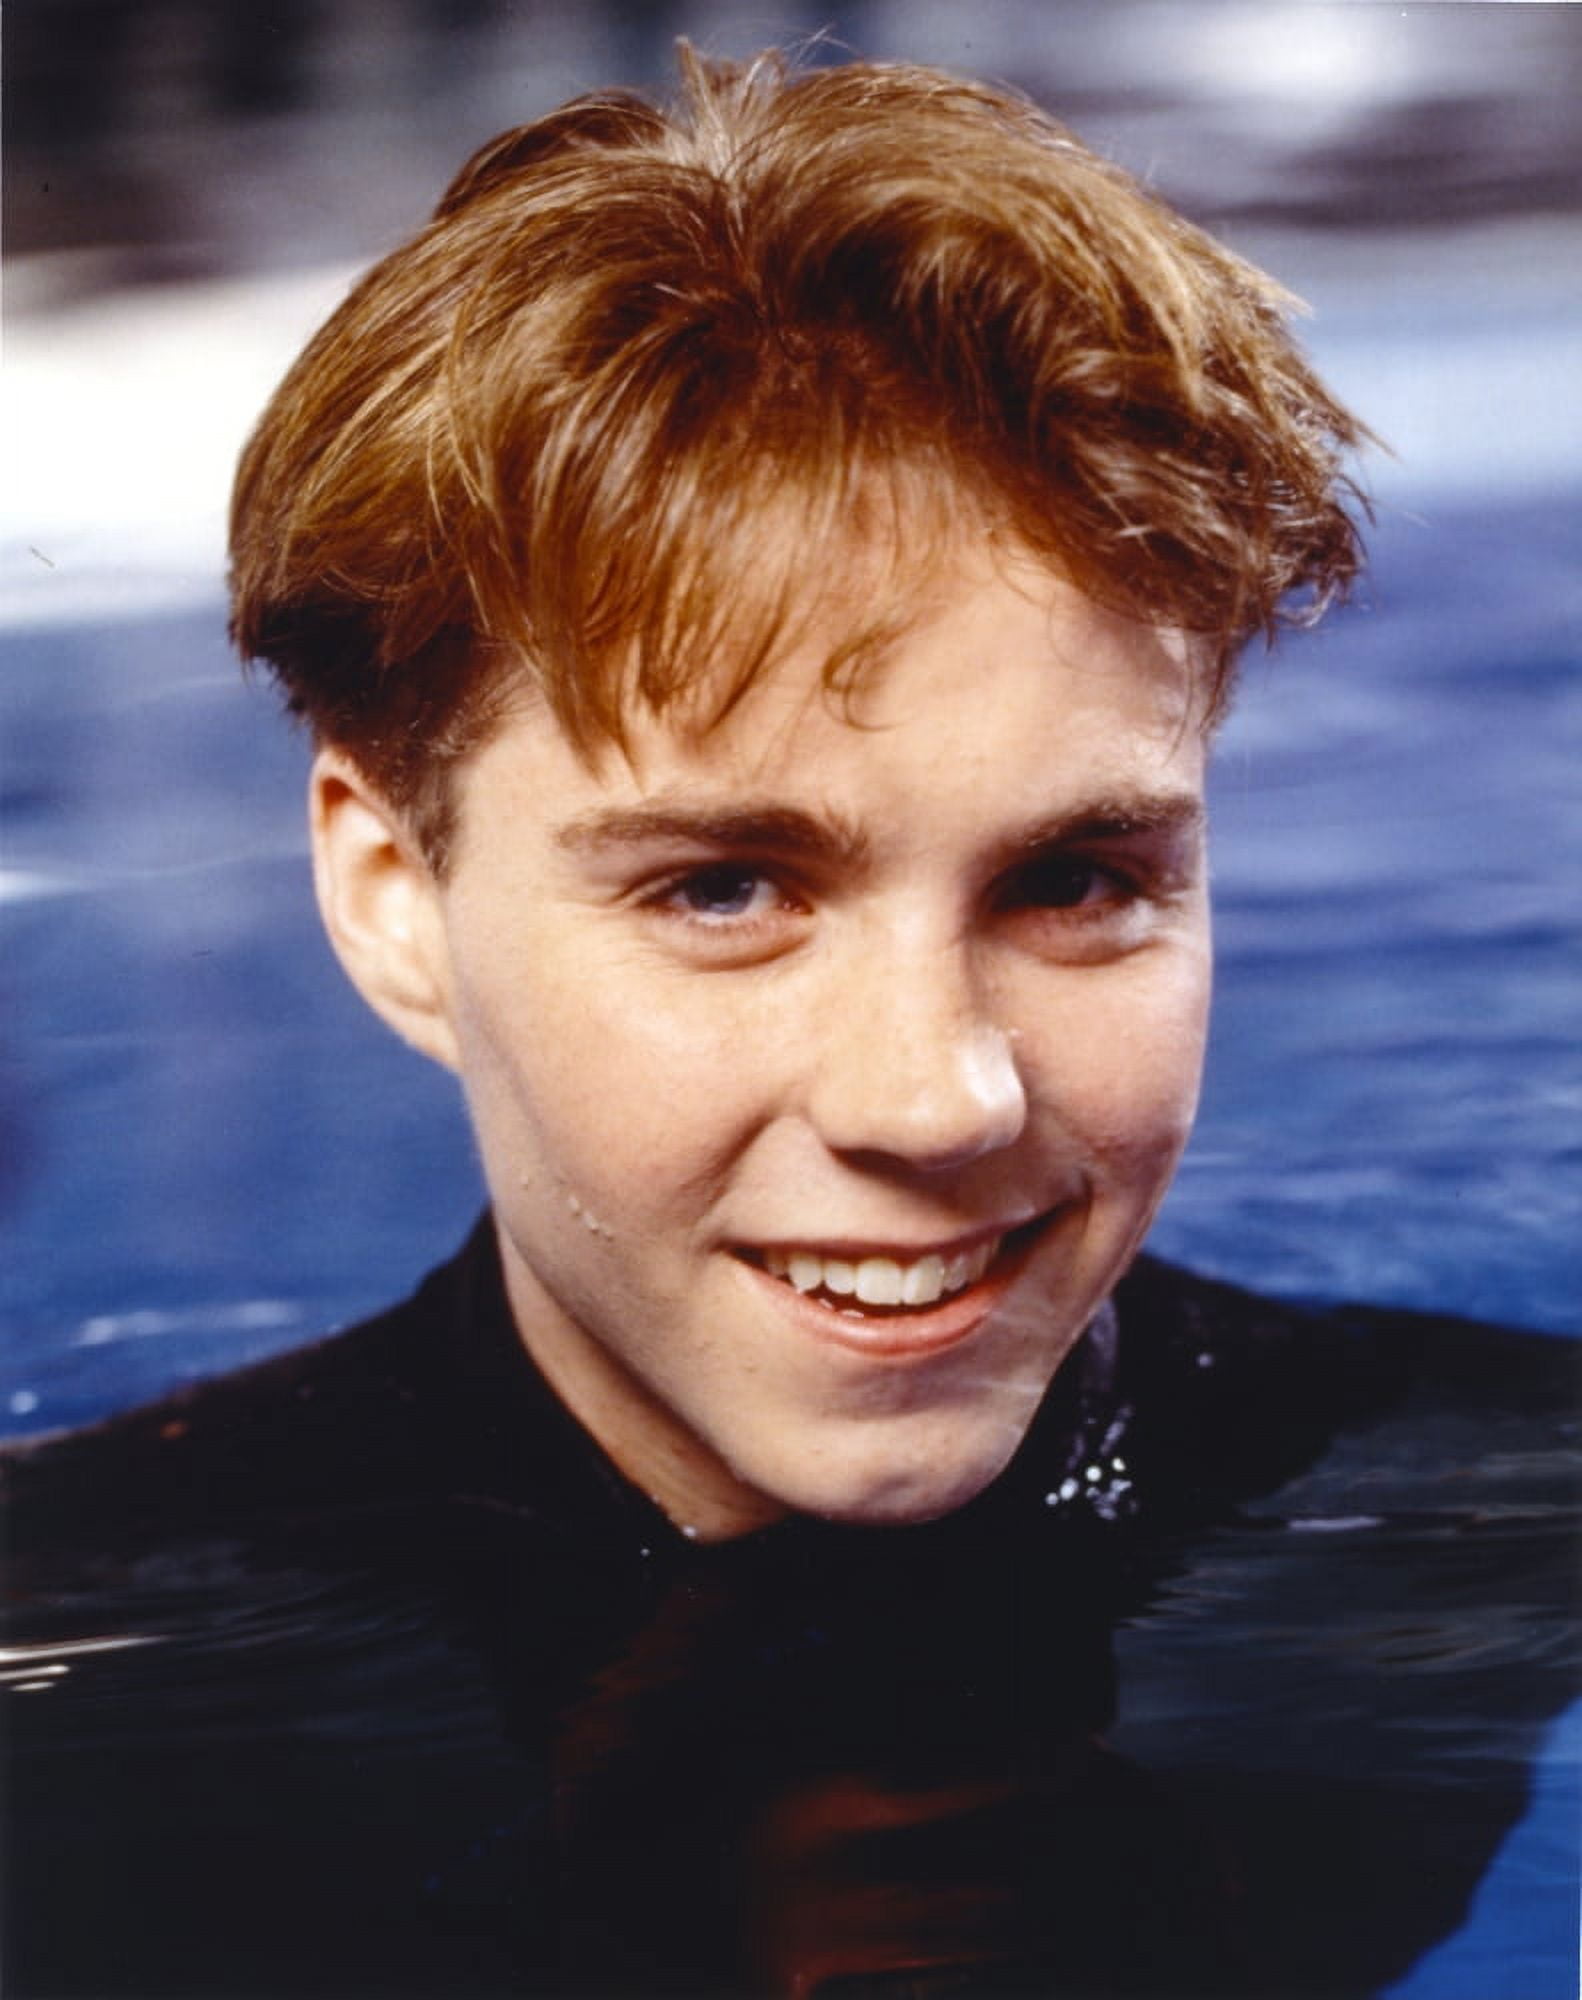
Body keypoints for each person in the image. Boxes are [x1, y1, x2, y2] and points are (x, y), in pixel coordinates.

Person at [3, 48, 1573, 2000]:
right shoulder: (73, 1657)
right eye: (723, 887)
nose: (937, 1092)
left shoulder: (1486, 1507)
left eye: (1073, 877)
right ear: (393, 898)